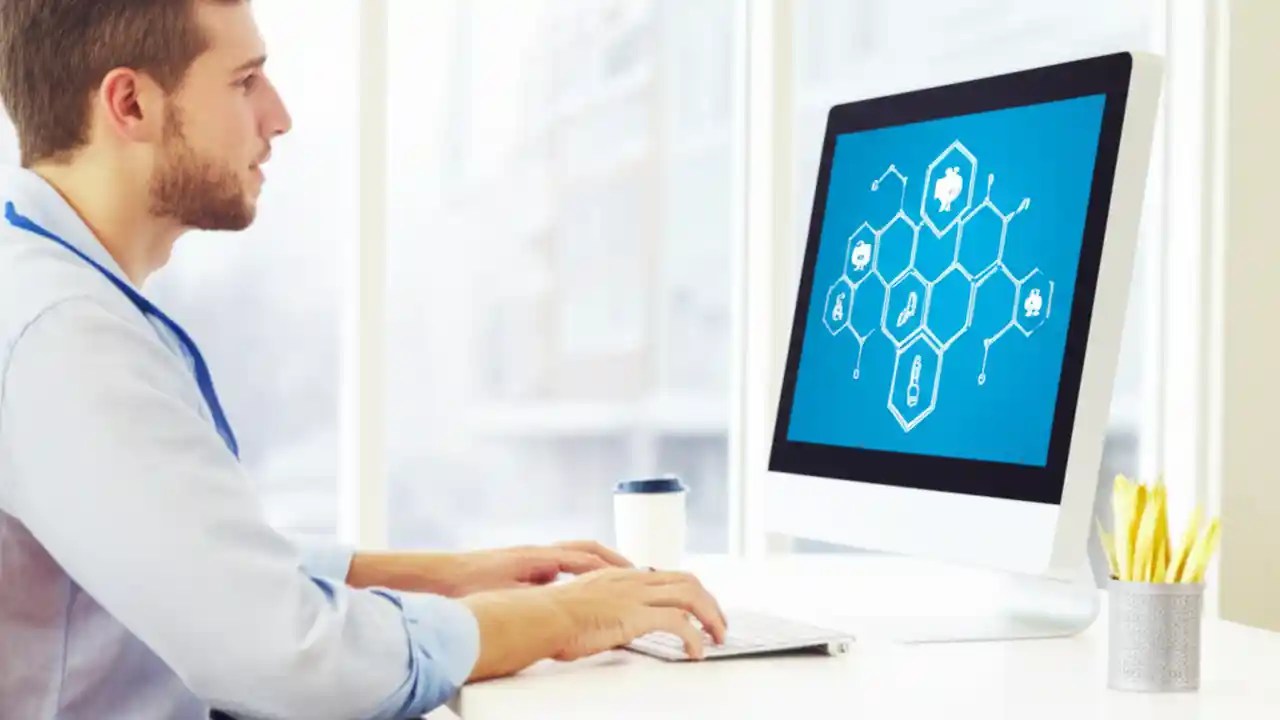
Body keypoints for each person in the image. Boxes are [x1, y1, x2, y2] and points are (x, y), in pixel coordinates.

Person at [0, 1, 726, 718]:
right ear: (130, 104)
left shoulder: (51, 296)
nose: (278, 116)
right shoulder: (64, 338)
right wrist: (567, 618)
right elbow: (289, 657)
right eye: (245, 81)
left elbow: (187, 561)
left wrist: (449, 578)